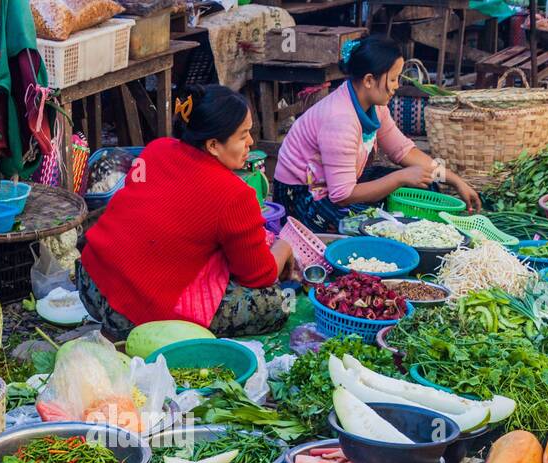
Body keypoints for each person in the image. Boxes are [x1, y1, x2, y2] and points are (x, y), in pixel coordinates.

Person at [77, 84, 295, 339]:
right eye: (243, 135)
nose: (251, 142)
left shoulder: (157, 149)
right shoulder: (235, 195)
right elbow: (260, 275)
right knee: (279, 302)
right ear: (213, 145)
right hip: (132, 315)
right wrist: (285, 247)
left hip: (89, 282)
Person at [272, 35, 480, 234]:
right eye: (392, 79)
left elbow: (403, 150)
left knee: (427, 184)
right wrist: (400, 178)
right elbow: (342, 196)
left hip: (337, 183)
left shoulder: (374, 106)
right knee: (377, 226)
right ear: (369, 80)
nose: (397, 86)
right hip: (302, 196)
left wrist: (455, 180)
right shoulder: (340, 119)